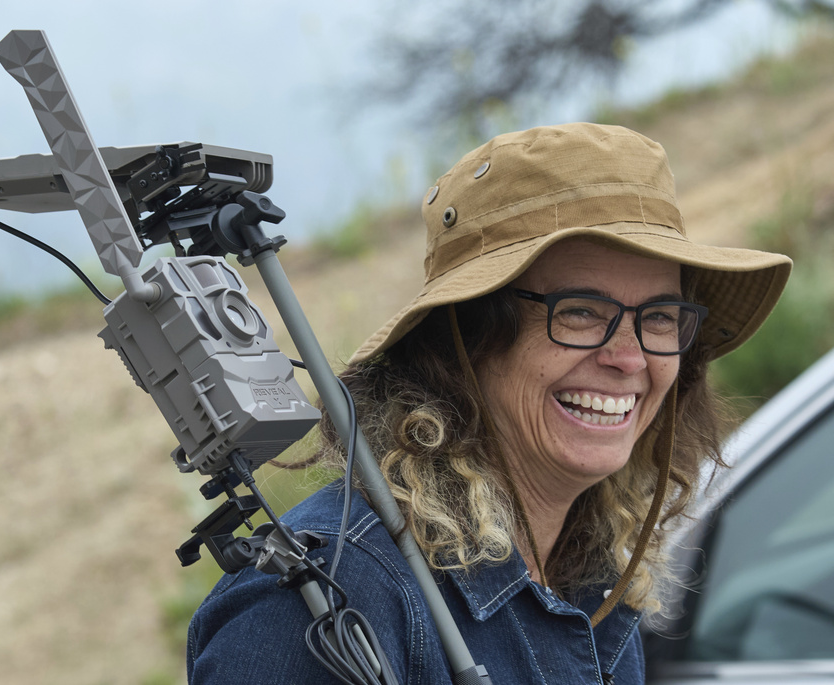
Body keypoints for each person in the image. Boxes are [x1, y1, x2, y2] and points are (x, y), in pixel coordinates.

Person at [186, 123, 792, 683]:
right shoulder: (328, 602)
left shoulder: (593, 583)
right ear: (464, 341)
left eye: (659, 316)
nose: (630, 359)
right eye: (582, 311)